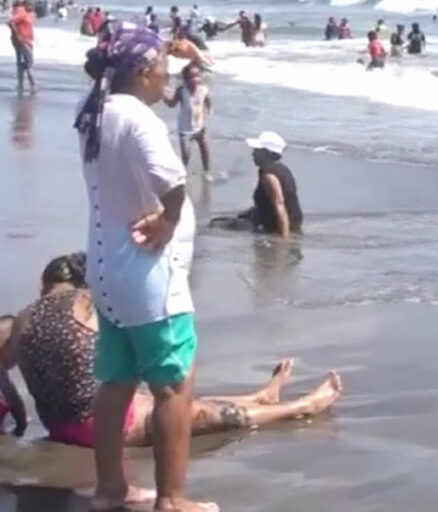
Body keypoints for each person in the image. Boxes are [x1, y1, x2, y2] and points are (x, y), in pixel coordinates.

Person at [73, 25, 213, 511]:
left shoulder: (93, 107)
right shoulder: (138, 118)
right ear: (141, 71)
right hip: (149, 275)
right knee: (175, 384)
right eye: (161, 68)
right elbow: (172, 183)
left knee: (116, 381)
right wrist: (169, 220)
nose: (166, 77)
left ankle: (111, 489)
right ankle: (171, 501)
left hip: (106, 266)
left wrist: (175, 48)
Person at [3, 253, 342, 453]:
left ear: (44, 286)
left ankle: (260, 396)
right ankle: (300, 407)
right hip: (104, 429)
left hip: (60, 426)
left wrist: (16, 412)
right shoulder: (91, 304)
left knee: (168, 402)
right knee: (198, 412)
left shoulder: (23, 318)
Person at [232, 131, 304, 238]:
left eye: (257, 150)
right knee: (241, 217)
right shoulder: (282, 168)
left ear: (267, 153)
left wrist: (284, 239)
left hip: (278, 224)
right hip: (294, 220)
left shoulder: (269, 175)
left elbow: (279, 204)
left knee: (216, 225)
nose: (253, 153)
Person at [167, 63, 212, 180]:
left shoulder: (204, 89)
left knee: (205, 150)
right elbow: (172, 104)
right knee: (186, 154)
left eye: (197, 76)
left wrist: (207, 112)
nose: (195, 79)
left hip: (200, 126)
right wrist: (163, 95)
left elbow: (208, 101)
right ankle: (183, 173)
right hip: (185, 128)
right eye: (191, 77)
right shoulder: (182, 91)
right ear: (185, 79)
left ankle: (206, 171)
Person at [8, 0, 36, 95]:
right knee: (29, 63)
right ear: (26, 5)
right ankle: (33, 85)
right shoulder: (22, 12)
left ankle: (21, 84)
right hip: (23, 41)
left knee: (21, 63)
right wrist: (18, 35)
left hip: (24, 41)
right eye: (31, 5)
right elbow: (11, 22)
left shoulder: (26, 13)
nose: (32, 7)